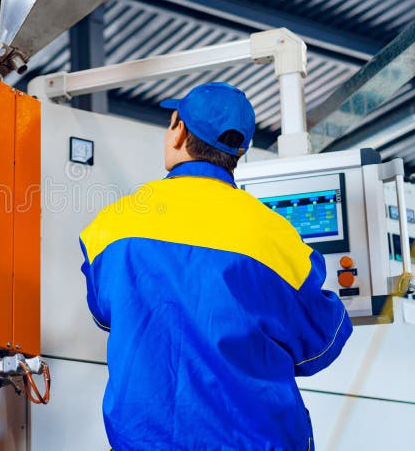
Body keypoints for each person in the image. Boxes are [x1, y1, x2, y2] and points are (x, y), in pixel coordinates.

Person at [79, 82, 352, 450]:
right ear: (240, 151)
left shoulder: (111, 227)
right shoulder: (273, 236)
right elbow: (321, 345)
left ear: (178, 132)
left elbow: (105, 314)